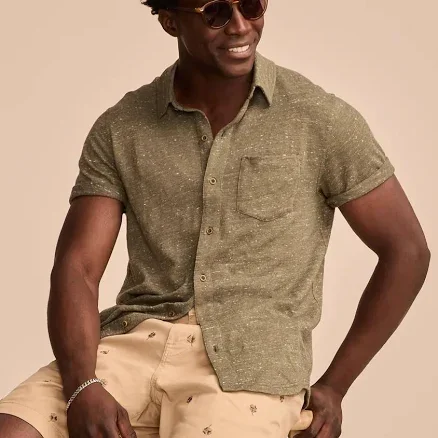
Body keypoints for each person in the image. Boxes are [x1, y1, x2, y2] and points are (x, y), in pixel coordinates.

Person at [0, 0, 431, 437]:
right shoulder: (122, 127)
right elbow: (78, 267)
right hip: (132, 345)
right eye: (216, 12)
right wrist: (82, 385)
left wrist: (335, 386)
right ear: (171, 20)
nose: (240, 26)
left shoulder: (318, 119)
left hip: (249, 369)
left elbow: (407, 251)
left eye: (252, 5)